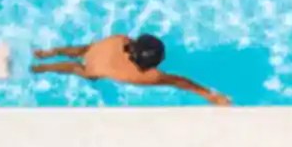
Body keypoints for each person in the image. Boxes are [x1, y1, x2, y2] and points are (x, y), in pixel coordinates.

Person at [31, 34, 232, 106]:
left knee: (80, 50)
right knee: (78, 69)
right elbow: (180, 82)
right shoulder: (146, 76)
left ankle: (46, 53)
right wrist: (209, 95)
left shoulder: (120, 40)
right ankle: (43, 68)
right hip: (92, 69)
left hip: (96, 50)